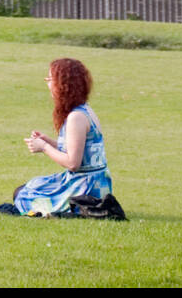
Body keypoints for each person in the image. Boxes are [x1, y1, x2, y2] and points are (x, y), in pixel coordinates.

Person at [9, 58, 113, 216]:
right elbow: (80, 152)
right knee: (26, 188)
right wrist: (49, 142)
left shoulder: (76, 117)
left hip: (84, 188)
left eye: (50, 79)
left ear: (63, 84)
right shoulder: (85, 110)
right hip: (97, 184)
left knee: (23, 196)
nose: (47, 84)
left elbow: (73, 163)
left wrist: (44, 147)